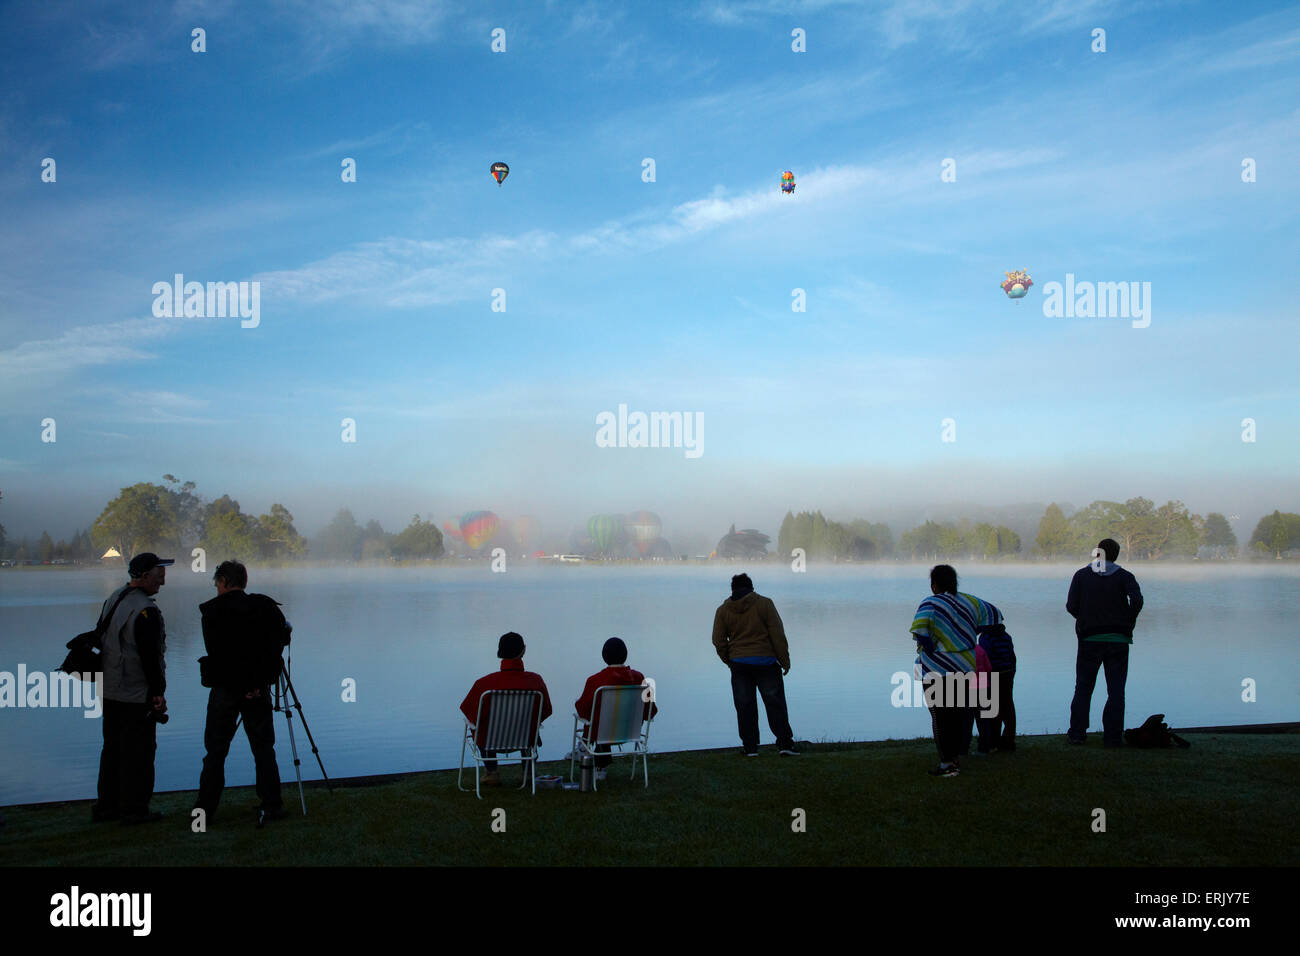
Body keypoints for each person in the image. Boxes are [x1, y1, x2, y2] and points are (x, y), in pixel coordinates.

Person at [195, 561, 290, 822]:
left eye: (217, 583)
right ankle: (272, 804)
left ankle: (204, 811)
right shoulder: (264, 607)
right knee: (263, 749)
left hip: (225, 690)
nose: (216, 588)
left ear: (224, 581)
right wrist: (256, 685)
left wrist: (241, 685)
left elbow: (219, 654)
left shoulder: (211, 612)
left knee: (215, 750)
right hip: (258, 690)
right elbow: (275, 646)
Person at [91, 552, 172, 825]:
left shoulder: (115, 597)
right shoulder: (146, 610)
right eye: (159, 572)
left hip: (110, 688)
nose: (163, 577)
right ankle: (135, 809)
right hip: (135, 692)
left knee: (112, 749)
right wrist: (158, 692)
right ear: (145, 575)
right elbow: (150, 657)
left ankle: (107, 807)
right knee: (140, 752)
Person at [909, 564, 1003, 777]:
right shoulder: (970, 602)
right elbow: (995, 618)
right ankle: (955, 758)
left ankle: (947, 763)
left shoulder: (930, 602)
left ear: (934, 585)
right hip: (965, 667)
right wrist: (969, 634)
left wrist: (933, 647)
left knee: (940, 716)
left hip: (936, 669)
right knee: (957, 714)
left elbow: (920, 631)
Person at [1067, 538, 1144, 747]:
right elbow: (1137, 600)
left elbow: (1071, 605)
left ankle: (1077, 734)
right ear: (1116, 555)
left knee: (1083, 687)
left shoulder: (1082, 575)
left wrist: (1085, 618)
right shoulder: (1125, 576)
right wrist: (1128, 619)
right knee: (1116, 690)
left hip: (1089, 638)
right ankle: (1112, 737)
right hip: (1118, 639)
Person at [711, 573, 798, 756]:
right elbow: (777, 635)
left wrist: (729, 659)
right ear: (751, 587)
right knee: (775, 704)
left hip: (739, 664)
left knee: (744, 706)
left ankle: (750, 748)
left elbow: (718, 640)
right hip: (766, 662)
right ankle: (784, 745)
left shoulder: (723, 610)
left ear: (733, 589)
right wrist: (785, 660)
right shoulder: (765, 604)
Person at [460, 632, 553, 786]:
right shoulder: (535, 681)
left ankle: (491, 772)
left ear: (499, 652)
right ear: (524, 651)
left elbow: (470, 714)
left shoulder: (483, 684)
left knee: (479, 724)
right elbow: (546, 710)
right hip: (524, 739)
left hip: (490, 741)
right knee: (532, 724)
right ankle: (528, 772)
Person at [574, 637, 658, 779]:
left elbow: (583, 711)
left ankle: (584, 750)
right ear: (625, 655)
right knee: (602, 717)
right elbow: (651, 711)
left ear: (604, 656)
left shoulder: (595, 681)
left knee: (596, 718)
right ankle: (598, 764)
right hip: (630, 733)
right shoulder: (640, 679)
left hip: (601, 735)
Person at [975, 622, 1017, 753]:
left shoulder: (986, 638)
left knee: (994, 708)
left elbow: (985, 658)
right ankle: (1009, 739)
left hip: (994, 674)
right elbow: (1012, 656)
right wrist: (1012, 670)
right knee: (1008, 705)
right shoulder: (1006, 636)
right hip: (1008, 672)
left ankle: (994, 740)